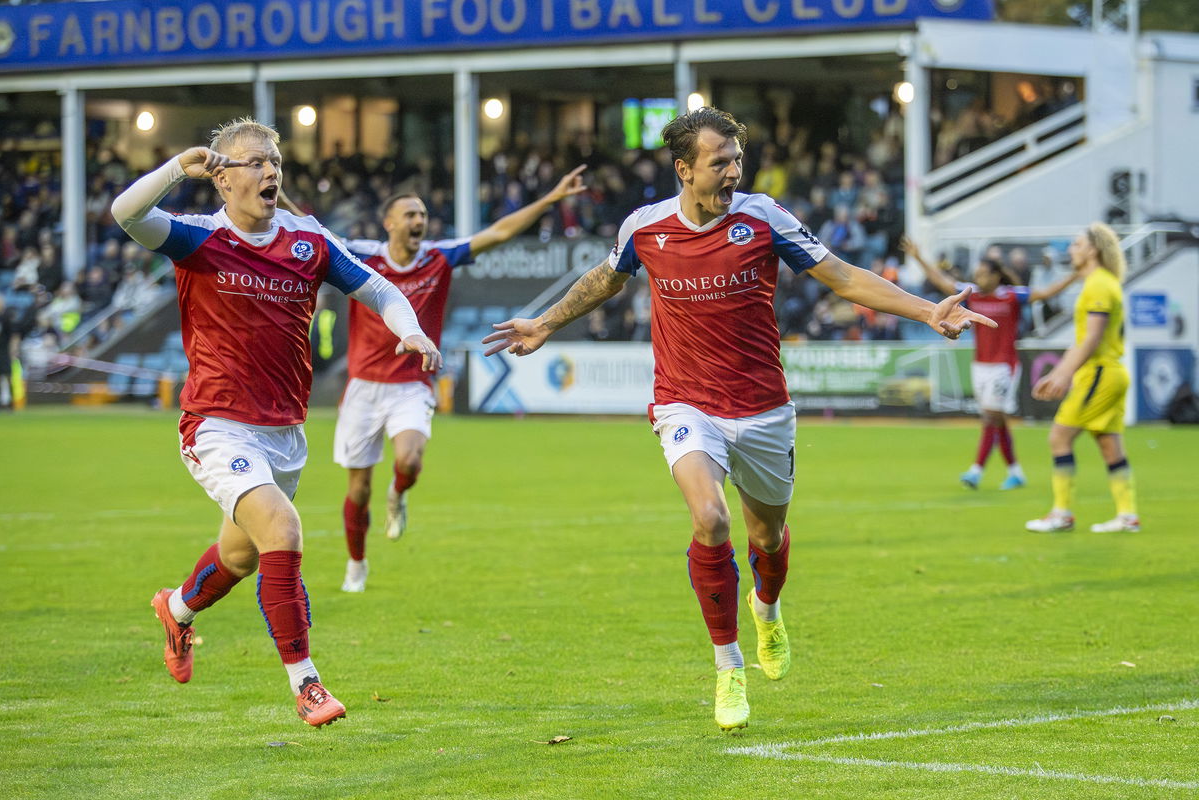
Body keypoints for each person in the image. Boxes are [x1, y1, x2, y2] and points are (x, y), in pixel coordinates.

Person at [481, 107, 995, 731]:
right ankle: (728, 668)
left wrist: (925, 312)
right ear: (684, 169)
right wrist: (546, 321)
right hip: (684, 402)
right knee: (710, 518)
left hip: (763, 409)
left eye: (736, 160)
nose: (733, 171)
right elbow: (604, 281)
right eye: (719, 162)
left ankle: (767, 609)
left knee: (768, 538)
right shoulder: (644, 228)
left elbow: (841, 276)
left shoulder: (763, 217)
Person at [111, 118, 441, 727]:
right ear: (222, 178)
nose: (270, 173)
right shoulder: (198, 239)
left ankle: (177, 611)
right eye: (255, 163)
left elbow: (380, 291)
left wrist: (411, 329)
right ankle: (307, 685)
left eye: (274, 162)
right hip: (215, 424)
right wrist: (171, 171)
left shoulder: (307, 240)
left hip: (284, 433)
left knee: (240, 559)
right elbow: (126, 213)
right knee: (283, 531)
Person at [322, 166, 585, 593]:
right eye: (409, 215)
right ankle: (356, 563)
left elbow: (499, 233)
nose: (419, 222)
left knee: (409, 460)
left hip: (411, 385)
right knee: (358, 487)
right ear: (389, 223)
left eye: (422, 214)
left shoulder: (439, 256)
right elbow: (308, 234)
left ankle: (399, 493)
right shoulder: (359, 256)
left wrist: (552, 198)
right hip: (363, 387)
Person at [901, 236, 1078, 490]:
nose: (979, 278)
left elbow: (1047, 293)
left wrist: (1075, 276)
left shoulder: (1012, 296)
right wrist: (918, 257)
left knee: (990, 416)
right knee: (996, 419)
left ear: (996, 276)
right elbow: (942, 282)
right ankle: (1015, 472)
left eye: (984, 274)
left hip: (1004, 366)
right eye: (977, 274)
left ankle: (976, 470)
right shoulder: (971, 294)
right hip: (980, 365)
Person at [1026, 223, 1138, 534]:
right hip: (1112, 372)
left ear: (1092, 249)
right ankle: (1127, 515)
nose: (1071, 250)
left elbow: (1091, 338)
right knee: (1109, 446)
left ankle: (1061, 513)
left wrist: (1062, 373)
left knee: (1059, 438)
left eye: (1076, 245)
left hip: (1100, 373)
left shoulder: (1099, 285)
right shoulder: (1104, 282)